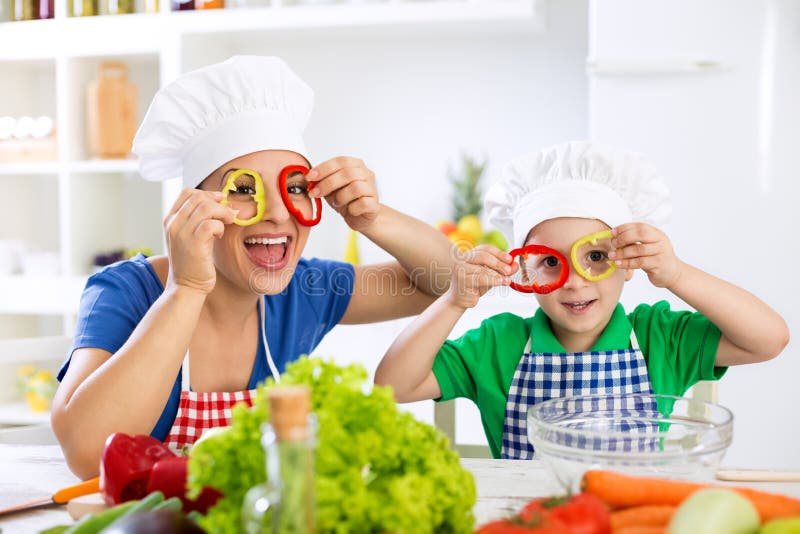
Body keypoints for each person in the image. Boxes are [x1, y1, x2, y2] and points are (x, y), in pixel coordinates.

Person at [51, 56, 456, 479]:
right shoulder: (124, 292)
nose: (280, 215)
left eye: (295, 187)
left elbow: (445, 282)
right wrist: (185, 288)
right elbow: (85, 453)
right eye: (243, 189)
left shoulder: (304, 289)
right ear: (193, 205)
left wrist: (372, 217)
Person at [375, 140, 790, 460]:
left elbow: (769, 338)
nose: (574, 282)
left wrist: (676, 273)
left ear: (629, 262)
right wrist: (452, 300)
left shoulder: (658, 336)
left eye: (595, 257)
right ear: (521, 270)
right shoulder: (497, 345)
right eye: (549, 262)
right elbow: (392, 387)